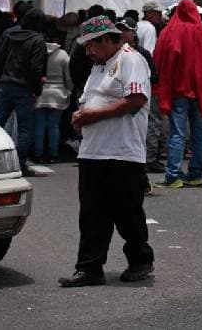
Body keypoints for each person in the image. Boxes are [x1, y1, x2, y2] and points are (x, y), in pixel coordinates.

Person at [57, 16, 154, 287]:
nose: (88, 52)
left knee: (127, 213)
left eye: (91, 45)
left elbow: (135, 101)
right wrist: (80, 116)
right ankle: (89, 268)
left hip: (122, 153)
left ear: (108, 39)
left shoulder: (130, 60)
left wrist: (93, 116)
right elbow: (89, 103)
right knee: (91, 215)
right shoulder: (98, 68)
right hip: (92, 153)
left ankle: (140, 260)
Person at [153, 1, 202, 188]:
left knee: (177, 133)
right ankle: (196, 174)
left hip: (179, 90)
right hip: (201, 91)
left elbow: (162, 58)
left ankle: (173, 175)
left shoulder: (171, 31)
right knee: (199, 134)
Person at [0, 8, 49, 177]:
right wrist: (37, 89)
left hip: (6, 84)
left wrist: (0, 80)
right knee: (25, 128)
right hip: (24, 88)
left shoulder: (10, 35)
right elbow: (36, 68)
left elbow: (0, 60)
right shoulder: (38, 40)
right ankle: (20, 163)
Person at [35, 26, 73, 165]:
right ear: (56, 39)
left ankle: (38, 154)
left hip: (40, 93)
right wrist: (69, 90)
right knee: (54, 126)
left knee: (39, 125)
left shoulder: (36, 51)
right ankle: (53, 154)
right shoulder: (62, 54)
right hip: (58, 93)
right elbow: (68, 76)